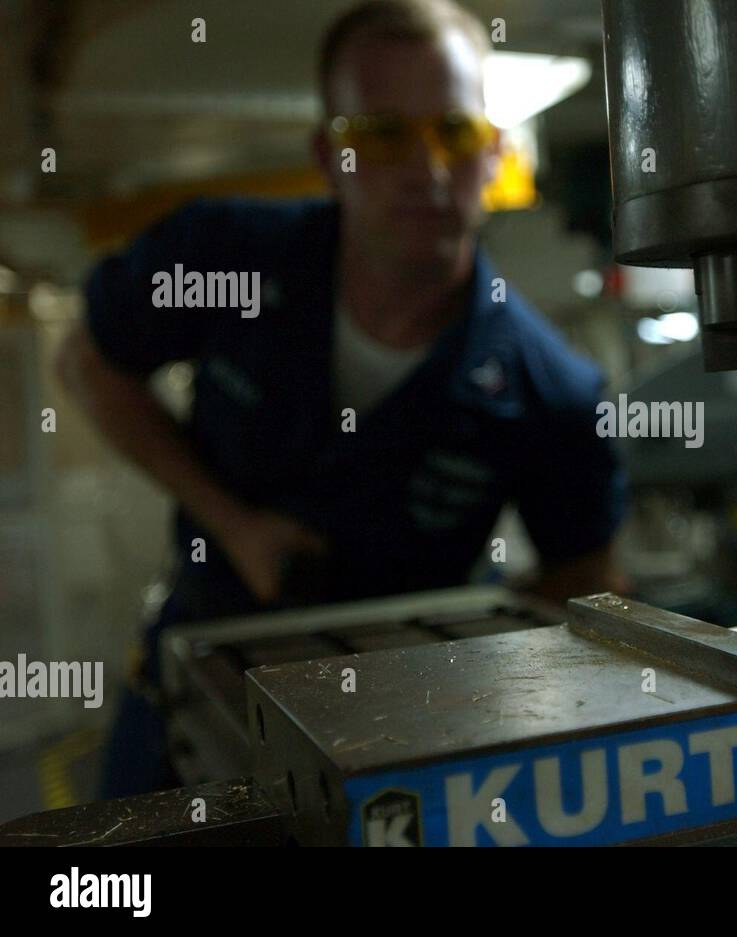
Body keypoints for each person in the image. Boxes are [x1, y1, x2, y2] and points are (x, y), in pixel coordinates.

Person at [57, 0, 626, 797]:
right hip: (192, 711)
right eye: (382, 135)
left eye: (454, 134)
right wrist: (236, 525)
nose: (426, 169)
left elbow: (583, 587)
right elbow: (88, 363)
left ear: (493, 154)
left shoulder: (551, 390)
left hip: (405, 752)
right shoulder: (223, 259)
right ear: (330, 155)